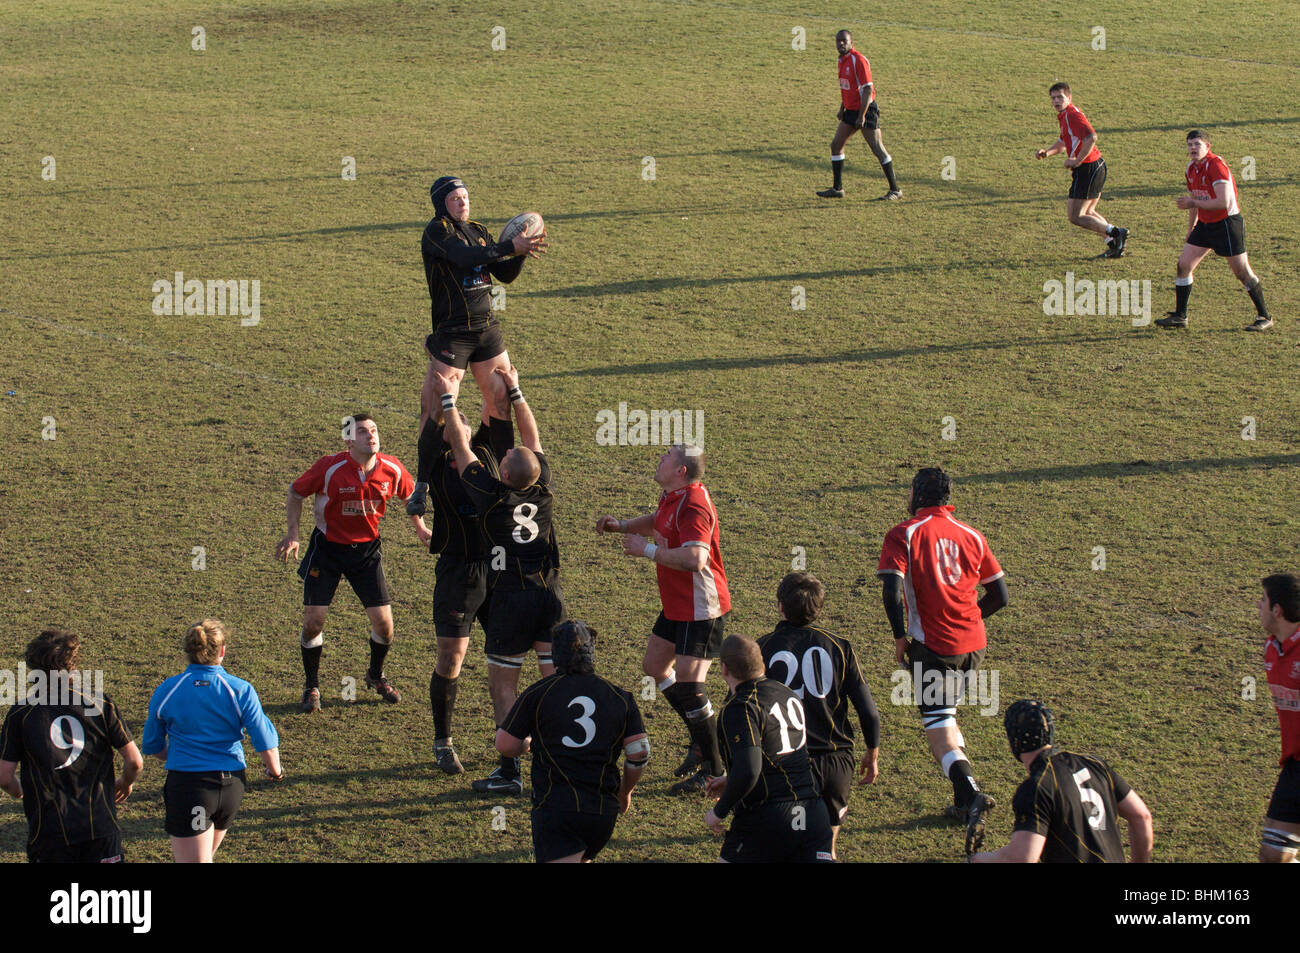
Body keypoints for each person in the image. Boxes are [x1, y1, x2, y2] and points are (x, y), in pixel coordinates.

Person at [441, 364, 564, 795]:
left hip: (512, 600)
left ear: (506, 476)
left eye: (505, 459)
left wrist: (447, 402)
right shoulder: (543, 487)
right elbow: (533, 439)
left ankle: (509, 772)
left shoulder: (492, 498)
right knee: (554, 683)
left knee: (503, 687)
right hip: (551, 598)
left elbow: (461, 450)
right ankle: (556, 765)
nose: (504, 453)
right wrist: (515, 391)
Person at [877, 466, 1007, 854]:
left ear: (916, 494)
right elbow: (1000, 596)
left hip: (935, 647)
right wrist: (967, 620)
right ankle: (962, 799)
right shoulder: (971, 534)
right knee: (946, 715)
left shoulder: (904, 533)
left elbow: (891, 591)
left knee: (937, 726)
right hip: (974, 646)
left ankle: (971, 793)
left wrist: (899, 636)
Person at [596, 443, 731, 795]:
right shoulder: (674, 496)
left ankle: (714, 768)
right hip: (678, 603)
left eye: (667, 456)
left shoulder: (695, 504)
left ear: (681, 470)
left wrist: (647, 551)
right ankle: (700, 739)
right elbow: (658, 521)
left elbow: (696, 559)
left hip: (702, 607)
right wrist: (622, 525)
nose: (660, 457)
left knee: (690, 685)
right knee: (655, 666)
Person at [276, 413, 430, 711]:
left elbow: (410, 496)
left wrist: (420, 527)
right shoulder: (329, 467)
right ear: (348, 440)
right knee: (313, 623)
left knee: (385, 628)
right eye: (362, 432)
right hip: (327, 551)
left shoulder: (392, 467)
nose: (371, 436)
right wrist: (292, 534)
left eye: (373, 430)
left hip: (366, 554)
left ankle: (375, 675)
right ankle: (312, 687)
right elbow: (296, 492)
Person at [415, 175, 549, 490]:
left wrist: (519, 254)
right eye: (454, 198)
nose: (462, 202)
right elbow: (463, 257)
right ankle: (422, 485)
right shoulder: (437, 232)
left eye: (465, 196)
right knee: (437, 408)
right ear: (441, 204)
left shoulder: (478, 231)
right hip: (453, 332)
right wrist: (507, 246)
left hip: (486, 330)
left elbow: (503, 273)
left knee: (501, 397)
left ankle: (508, 478)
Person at [410, 400, 514, 775]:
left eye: (462, 433)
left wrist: (499, 376)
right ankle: (443, 742)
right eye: (451, 435)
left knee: (505, 657)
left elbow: (498, 410)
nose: (458, 439)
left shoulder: (485, 450)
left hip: (498, 567)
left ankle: (508, 742)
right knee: (451, 656)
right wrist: (442, 394)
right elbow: (428, 425)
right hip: (458, 570)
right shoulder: (436, 462)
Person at [495, 621, 649, 862]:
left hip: (556, 809)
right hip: (602, 813)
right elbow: (639, 752)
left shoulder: (538, 693)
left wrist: (527, 743)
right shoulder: (620, 697)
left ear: (555, 654)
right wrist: (626, 791)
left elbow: (505, 745)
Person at [757, 572, 881, 859]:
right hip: (835, 762)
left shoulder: (762, 648)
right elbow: (869, 713)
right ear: (818, 608)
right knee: (825, 850)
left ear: (781, 607)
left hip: (787, 762)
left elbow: (742, 711)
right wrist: (872, 754)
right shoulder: (839, 646)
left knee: (788, 847)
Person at [141, 620, 283, 863]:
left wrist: (175, 755)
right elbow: (264, 738)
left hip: (189, 788)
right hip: (231, 787)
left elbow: (152, 744)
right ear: (222, 651)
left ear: (187, 652)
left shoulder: (169, 689)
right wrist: (275, 771)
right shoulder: (240, 689)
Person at [0, 628, 143, 863]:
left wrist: (19, 792)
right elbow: (135, 761)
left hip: (49, 832)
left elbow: (4, 776)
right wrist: (125, 783)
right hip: (100, 827)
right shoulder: (98, 703)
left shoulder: (21, 714)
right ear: (72, 667)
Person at [703, 635, 834, 863]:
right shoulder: (787, 693)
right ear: (762, 664)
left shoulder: (741, 707)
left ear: (724, 669)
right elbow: (779, 754)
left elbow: (749, 770)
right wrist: (733, 780)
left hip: (770, 816)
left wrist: (718, 812)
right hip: (812, 812)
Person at [971, 700, 1153, 862]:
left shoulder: (1036, 787)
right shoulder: (1094, 764)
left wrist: (979, 859)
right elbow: (1141, 816)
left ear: (1014, 740)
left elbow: (1022, 857)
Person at [1156, 130, 1273, 331]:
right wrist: (1191, 226)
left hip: (1226, 224)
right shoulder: (1191, 168)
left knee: (1241, 272)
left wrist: (1193, 202)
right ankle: (1180, 316)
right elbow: (1195, 199)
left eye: (1197, 144)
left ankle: (1265, 316)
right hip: (1204, 224)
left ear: (1207, 147)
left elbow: (1222, 202)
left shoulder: (1216, 166)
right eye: (1190, 144)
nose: (1193, 148)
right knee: (1183, 265)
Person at [1034, 82, 1128, 258]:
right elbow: (1063, 142)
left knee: (1076, 216)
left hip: (1088, 168)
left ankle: (1116, 232)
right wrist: (1047, 153)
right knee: (1088, 213)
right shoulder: (1065, 116)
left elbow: (1091, 137)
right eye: (1053, 98)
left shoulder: (1072, 115)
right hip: (1095, 167)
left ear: (1069, 98)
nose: (1056, 101)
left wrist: (1077, 160)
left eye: (1059, 97)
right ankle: (1114, 245)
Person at [817, 30, 901, 200]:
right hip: (851, 111)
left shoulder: (858, 60)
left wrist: (862, 115)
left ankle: (895, 190)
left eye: (844, 41)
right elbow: (847, 87)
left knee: (877, 148)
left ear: (851, 42)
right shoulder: (842, 60)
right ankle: (837, 189)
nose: (840, 43)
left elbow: (868, 89)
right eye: (838, 41)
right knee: (836, 145)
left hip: (865, 110)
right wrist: (843, 108)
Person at [1258, 573, 1300, 862]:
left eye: (1263, 600)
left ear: (1277, 609)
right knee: (1273, 855)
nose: (1258, 606)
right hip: (1295, 765)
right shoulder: (1272, 650)